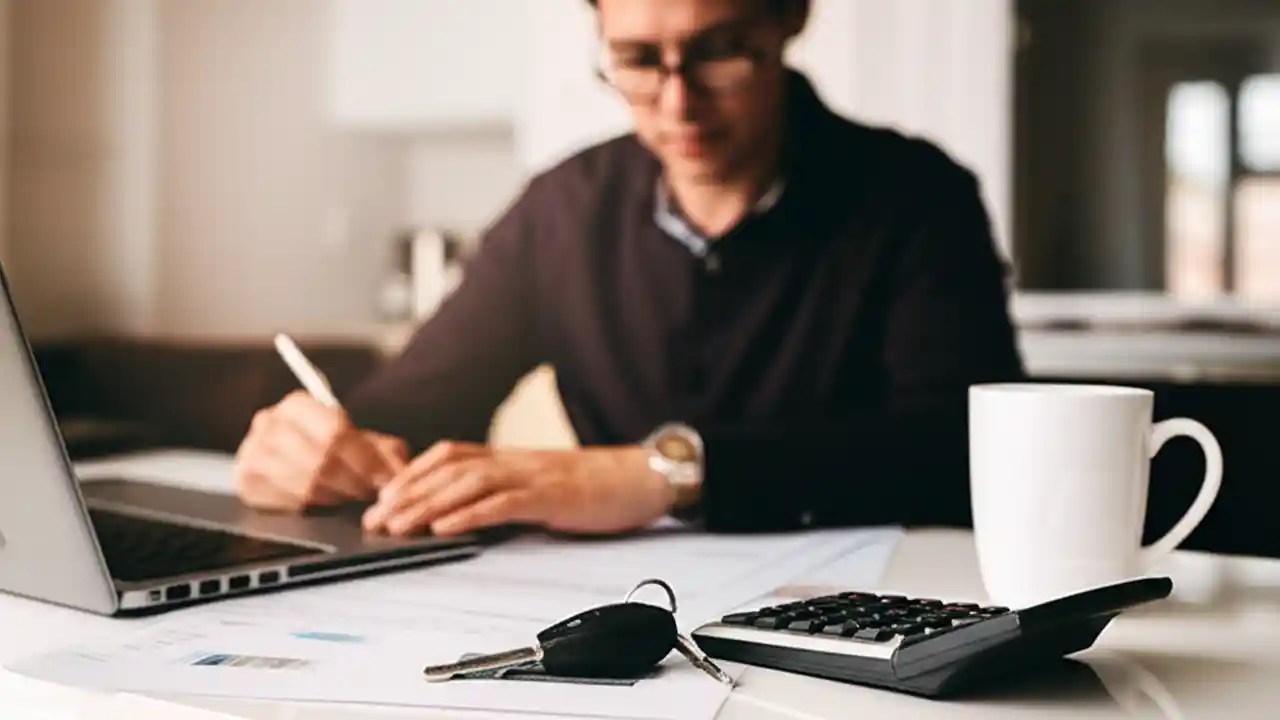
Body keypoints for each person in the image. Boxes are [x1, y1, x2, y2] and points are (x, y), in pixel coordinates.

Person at [232, 0, 1024, 539]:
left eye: (717, 54)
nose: (677, 104)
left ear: (789, 19)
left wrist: (659, 475)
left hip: (873, 622)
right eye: (638, 61)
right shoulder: (563, 209)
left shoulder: (917, 198)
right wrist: (318, 453)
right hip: (624, 627)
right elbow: (413, 413)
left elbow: (957, 454)